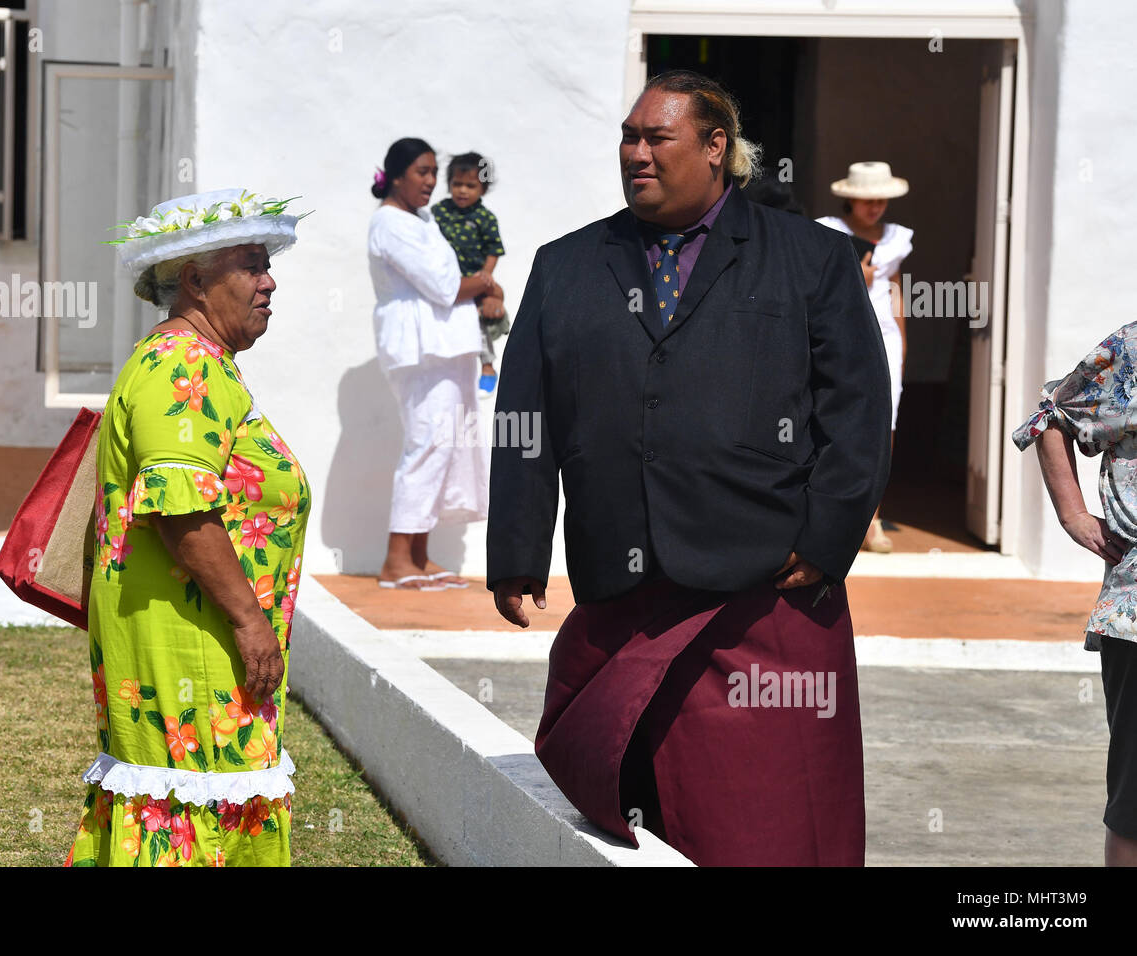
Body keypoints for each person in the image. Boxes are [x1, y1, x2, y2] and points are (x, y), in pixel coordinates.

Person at [487, 70, 891, 866]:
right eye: (628, 138)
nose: (635, 153)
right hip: (623, 587)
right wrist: (517, 551)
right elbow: (526, 421)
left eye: (655, 138)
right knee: (634, 804)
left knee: (773, 821)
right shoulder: (567, 265)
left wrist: (826, 535)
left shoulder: (811, 258)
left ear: (715, 148)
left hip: (767, 596)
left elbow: (859, 409)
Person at [65, 188, 309, 867]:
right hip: (189, 640)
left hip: (199, 638)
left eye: (268, 264)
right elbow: (179, 505)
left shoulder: (204, 365)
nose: (270, 281)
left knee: (207, 797)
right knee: (192, 803)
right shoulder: (181, 367)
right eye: (252, 264)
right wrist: (248, 620)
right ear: (196, 280)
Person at [1012, 323, 1137, 867]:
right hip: (1136, 614)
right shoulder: (1132, 351)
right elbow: (1052, 417)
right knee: (1136, 807)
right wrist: (1074, 515)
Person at [369, 138, 501, 591]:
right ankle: (395, 559)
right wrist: (485, 281)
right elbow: (443, 285)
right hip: (420, 348)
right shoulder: (389, 223)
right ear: (397, 175)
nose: (430, 182)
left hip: (447, 346)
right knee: (427, 442)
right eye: (422, 172)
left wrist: (479, 284)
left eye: (432, 173)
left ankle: (419, 556)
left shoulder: (422, 219)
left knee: (446, 444)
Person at [816, 162, 912, 553]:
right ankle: (834, 513)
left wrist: (903, 344)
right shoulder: (828, 231)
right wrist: (858, 278)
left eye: (881, 199)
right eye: (867, 198)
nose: (875, 206)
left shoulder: (896, 238)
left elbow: (896, 290)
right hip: (838, 332)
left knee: (883, 426)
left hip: (883, 335)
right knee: (836, 417)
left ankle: (872, 518)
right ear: (850, 197)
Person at [430, 151, 509, 395]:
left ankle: (487, 365)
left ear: (482, 189)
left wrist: (486, 274)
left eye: (470, 186)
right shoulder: (440, 211)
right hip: (445, 280)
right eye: (457, 184)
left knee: (478, 324)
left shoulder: (484, 218)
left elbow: (494, 249)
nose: (463, 190)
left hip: (473, 280)